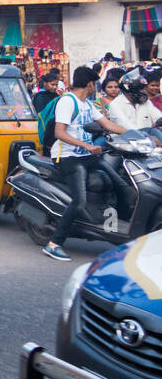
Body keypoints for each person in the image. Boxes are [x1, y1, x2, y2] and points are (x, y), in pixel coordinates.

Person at [43, 66, 131, 262]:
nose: (95, 88)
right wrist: (86, 145)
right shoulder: (68, 101)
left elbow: (108, 125)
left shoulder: (87, 104)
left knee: (120, 183)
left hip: (85, 155)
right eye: (95, 85)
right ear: (90, 84)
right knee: (79, 200)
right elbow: (59, 133)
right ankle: (54, 244)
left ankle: (119, 235)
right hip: (67, 157)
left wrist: (136, 134)